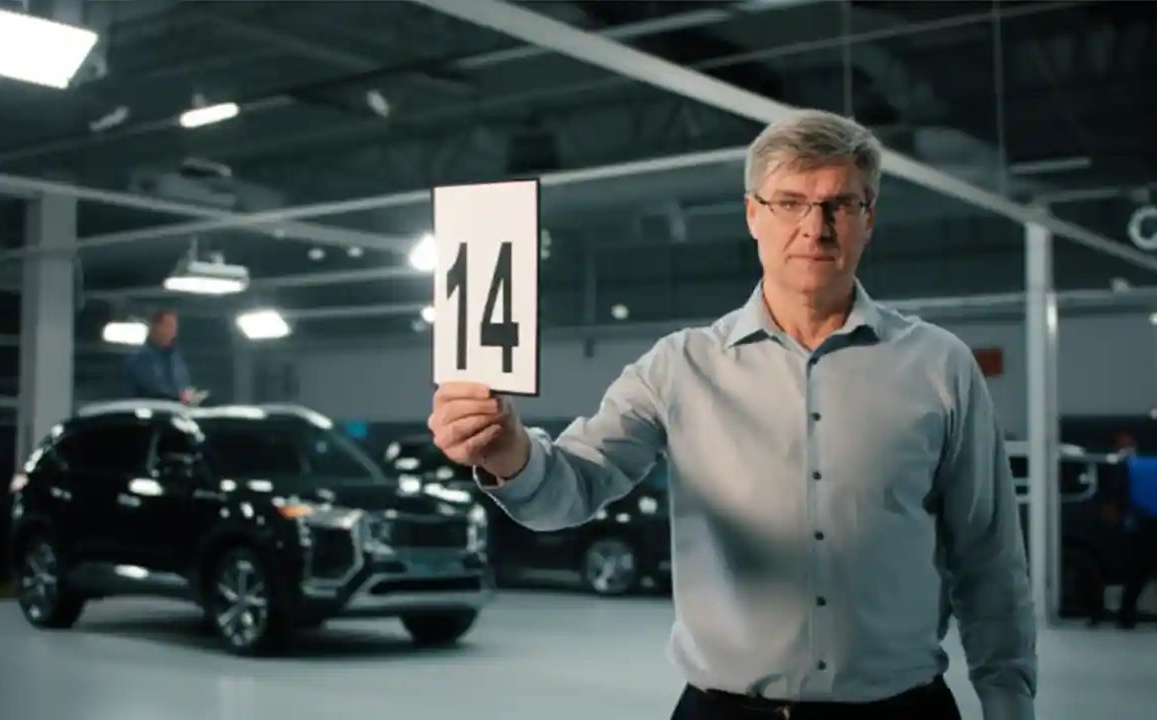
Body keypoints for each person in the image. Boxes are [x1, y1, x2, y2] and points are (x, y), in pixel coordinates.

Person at [429, 109, 1036, 720]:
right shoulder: (678, 368)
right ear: (753, 214)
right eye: (791, 203)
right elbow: (575, 485)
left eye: (841, 205)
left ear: (868, 219)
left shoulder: (941, 367)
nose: (816, 227)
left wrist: (1008, 702)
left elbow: (988, 557)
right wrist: (508, 449)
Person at [1113, 432, 1157, 632]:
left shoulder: (1131, 466)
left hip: (1138, 528)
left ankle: (1126, 617)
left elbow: (1121, 496)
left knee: (1135, 577)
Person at [124, 309, 195, 403]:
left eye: (174, 328)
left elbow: (184, 385)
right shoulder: (141, 359)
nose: (172, 332)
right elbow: (152, 389)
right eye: (168, 327)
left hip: (178, 412)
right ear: (155, 327)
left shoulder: (178, 360)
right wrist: (178, 397)